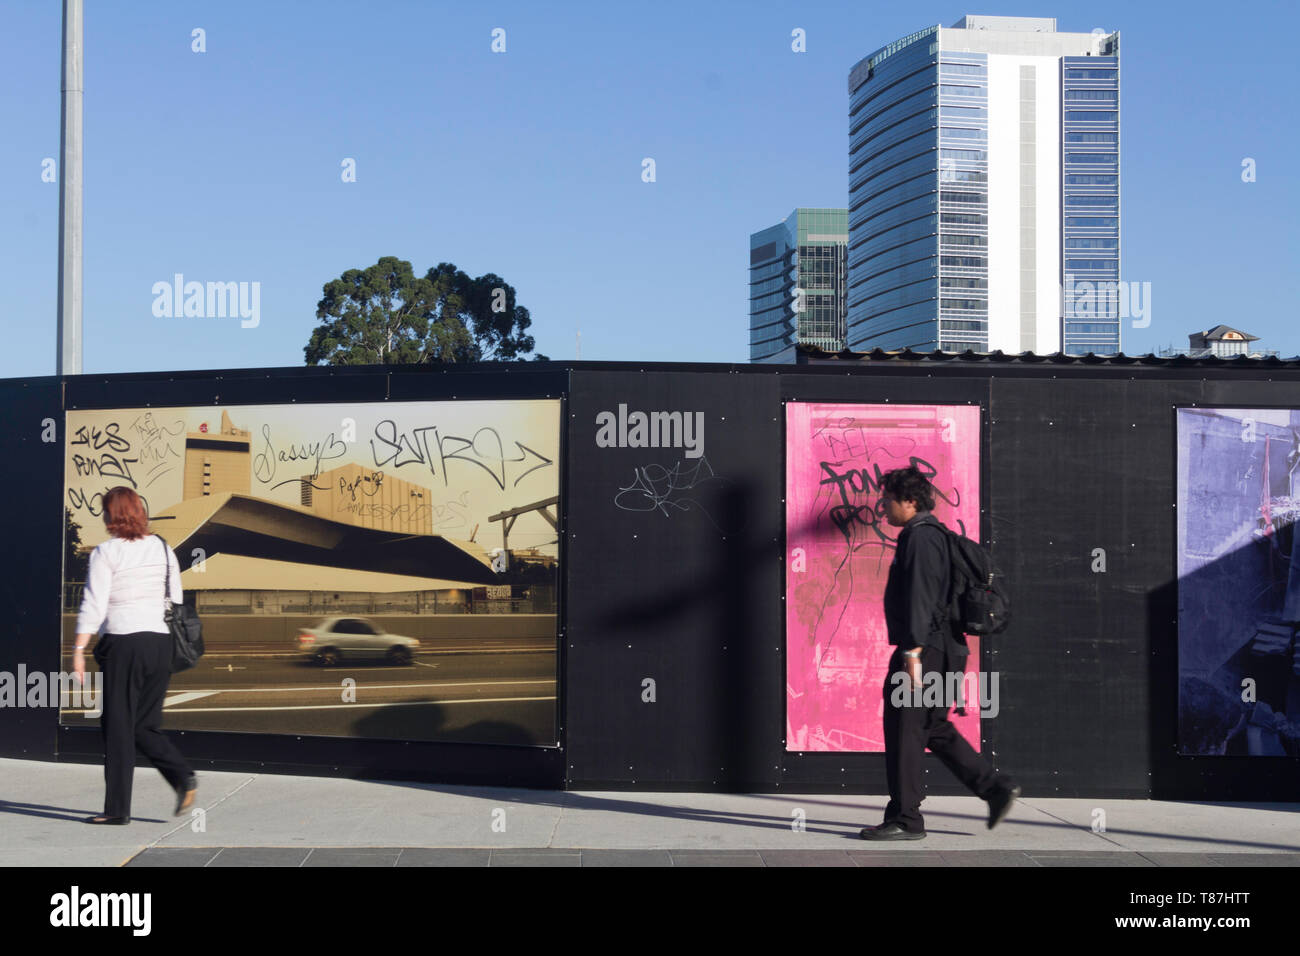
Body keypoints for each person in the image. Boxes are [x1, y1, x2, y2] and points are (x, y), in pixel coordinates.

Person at [860, 465, 1020, 840]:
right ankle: (994, 789)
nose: (883, 509)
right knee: (931, 726)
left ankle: (905, 819)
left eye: (888, 501)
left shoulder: (920, 537)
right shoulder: (934, 536)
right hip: (944, 650)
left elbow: (922, 597)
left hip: (925, 652)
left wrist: (912, 654)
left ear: (910, 501)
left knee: (904, 729)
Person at [72, 486, 197, 825]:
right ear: (139, 512)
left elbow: (95, 603)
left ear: (111, 516)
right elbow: (176, 597)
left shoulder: (106, 553)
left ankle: (116, 811)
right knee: (145, 724)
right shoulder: (162, 548)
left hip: (124, 642)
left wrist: (79, 649)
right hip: (159, 642)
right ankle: (182, 776)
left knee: (118, 727)